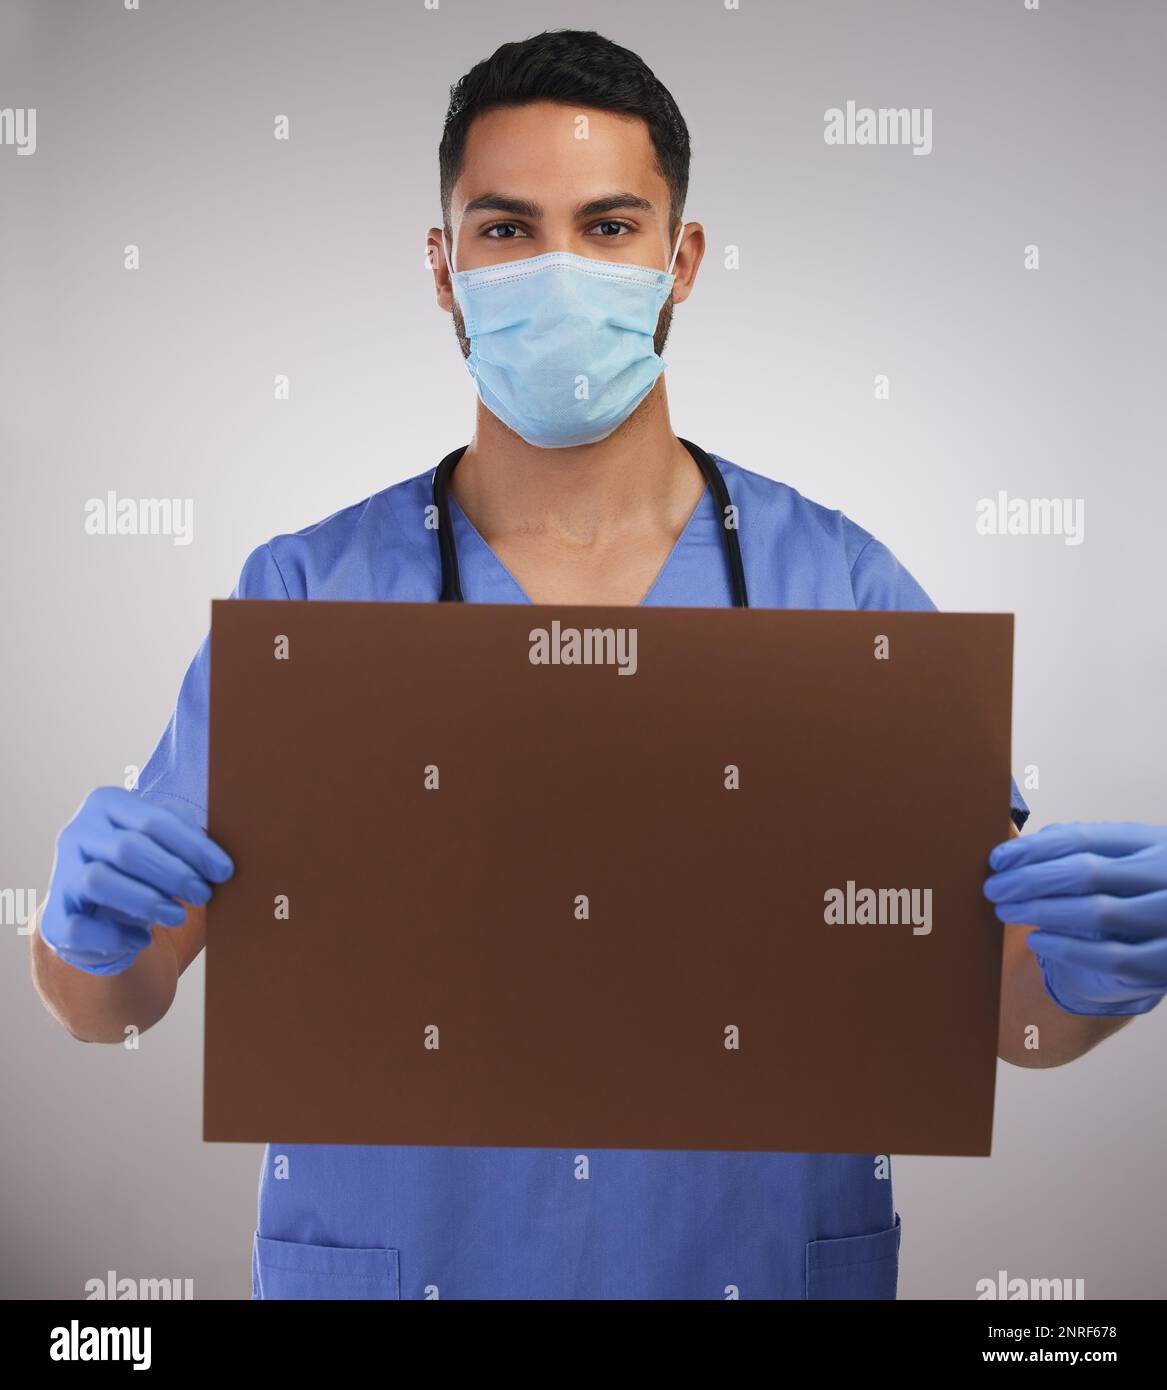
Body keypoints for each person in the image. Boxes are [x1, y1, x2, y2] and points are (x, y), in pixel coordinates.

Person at [31, 29, 1167, 1301]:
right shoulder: (311, 590)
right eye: (508, 229)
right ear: (444, 266)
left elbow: (1006, 1020)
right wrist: (78, 932)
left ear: (680, 260)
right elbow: (113, 1005)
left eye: (611, 227)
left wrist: (1094, 971)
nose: (559, 271)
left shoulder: (842, 586)